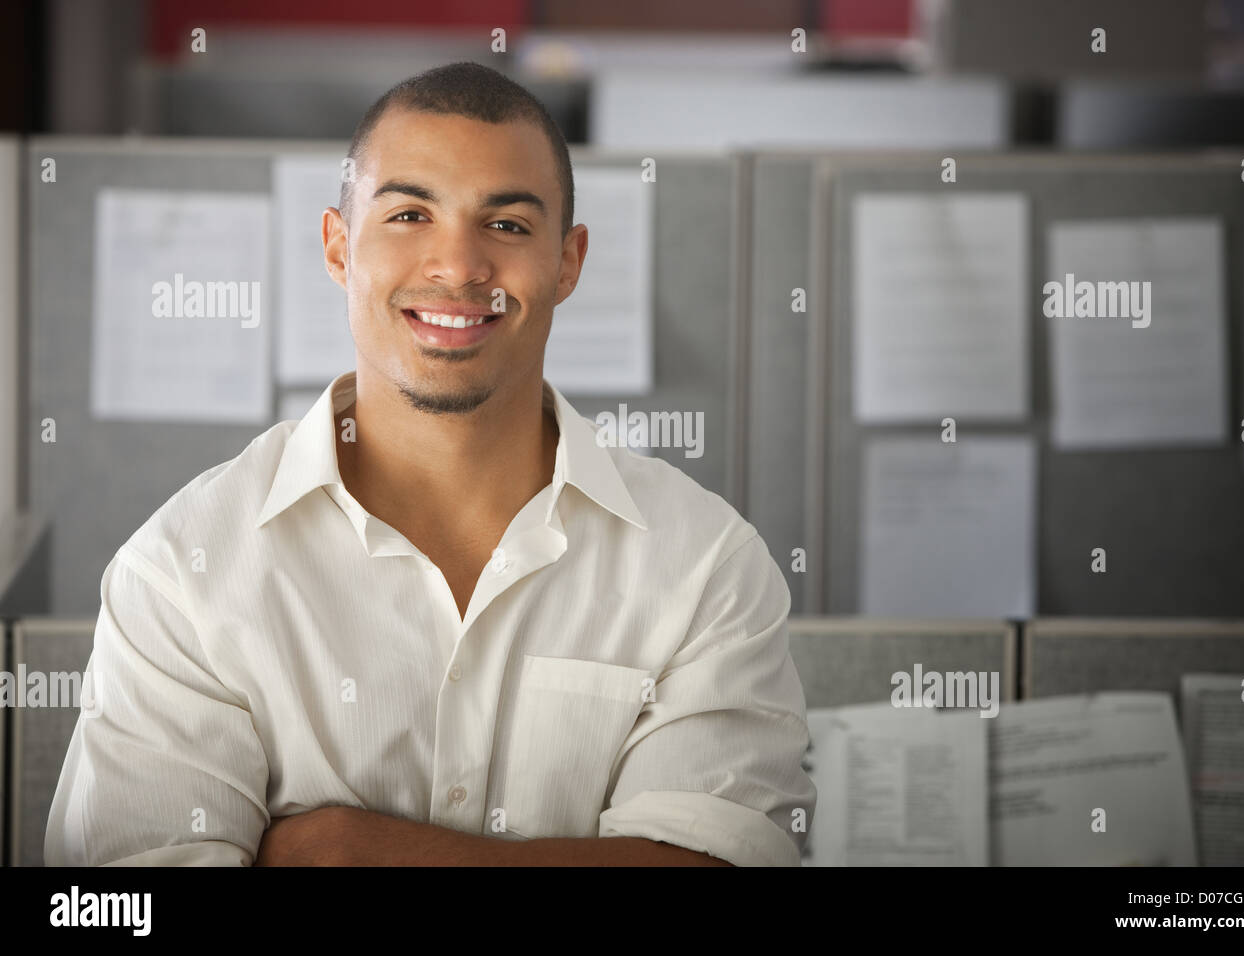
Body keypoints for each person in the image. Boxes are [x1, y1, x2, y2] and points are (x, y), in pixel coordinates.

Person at [46, 61, 815, 866]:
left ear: (568, 262)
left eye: (508, 226)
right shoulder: (182, 574)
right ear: (339, 249)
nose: (458, 266)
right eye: (410, 214)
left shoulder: (705, 566)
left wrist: (348, 849)